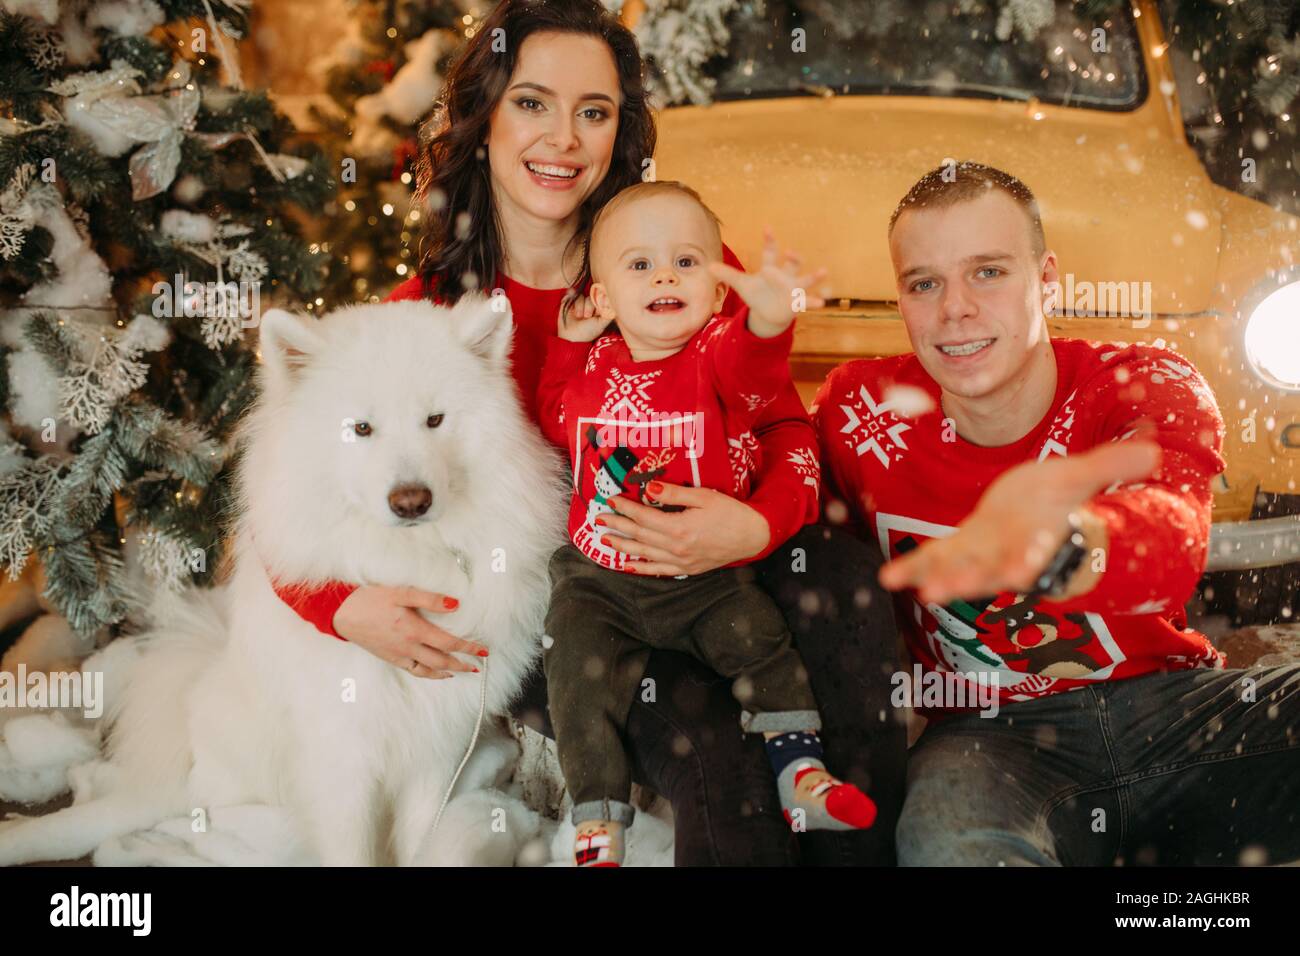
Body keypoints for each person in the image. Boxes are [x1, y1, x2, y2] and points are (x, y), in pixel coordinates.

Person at [269, 0, 905, 865]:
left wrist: (757, 522)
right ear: (483, 120)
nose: (563, 138)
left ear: (620, 132)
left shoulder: (664, 256)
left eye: (594, 112)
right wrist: (342, 607)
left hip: (725, 564)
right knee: (710, 737)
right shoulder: (420, 328)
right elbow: (295, 492)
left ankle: (860, 847)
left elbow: (782, 420)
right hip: (574, 609)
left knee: (839, 574)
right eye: (532, 103)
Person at [813, 160, 1300, 866]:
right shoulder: (860, 409)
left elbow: (1173, 538)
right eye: (925, 283)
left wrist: (1076, 541)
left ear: (1046, 279)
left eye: (988, 272)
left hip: (1178, 713)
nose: (955, 308)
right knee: (947, 844)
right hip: (987, 742)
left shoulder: (1141, 382)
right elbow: (758, 462)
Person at [538, 180, 877, 866]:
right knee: (575, 678)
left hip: (704, 578)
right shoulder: (596, 364)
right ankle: (597, 821)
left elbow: (755, 376)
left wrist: (770, 323)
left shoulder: (715, 359)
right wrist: (568, 346)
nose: (665, 274)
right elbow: (555, 412)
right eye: (640, 265)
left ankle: (799, 772)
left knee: (762, 643)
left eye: (687, 263)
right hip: (598, 578)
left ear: (719, 293)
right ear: (602, 299)